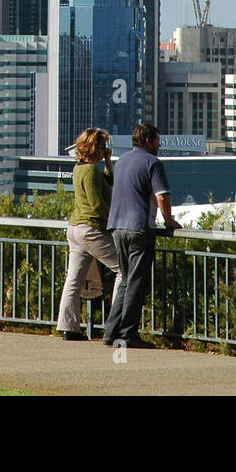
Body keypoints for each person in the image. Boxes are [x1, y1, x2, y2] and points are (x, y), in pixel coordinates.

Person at [103, 123, 179, 348]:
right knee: (136, 283)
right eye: (157, 140)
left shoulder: (122, 160)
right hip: (139, 228)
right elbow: (162, 196)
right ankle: (127, 336)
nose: (159, 145)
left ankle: (110, 332)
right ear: (148, 141)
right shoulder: (153, 163)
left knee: (126, 281)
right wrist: (169, 221)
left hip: (117, 227)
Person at [55, 127, 122, 341]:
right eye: (103, 146)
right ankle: (116, 325)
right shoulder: (90, 171)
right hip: (90, 228)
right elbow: (96, 205)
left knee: (73, 279)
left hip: (75, 228)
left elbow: (108, 182)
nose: (105, 149)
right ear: (93, 147)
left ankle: (69, 328)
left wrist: (108, 164)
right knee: (124, 269)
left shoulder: (80, 168)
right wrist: (116, 218)